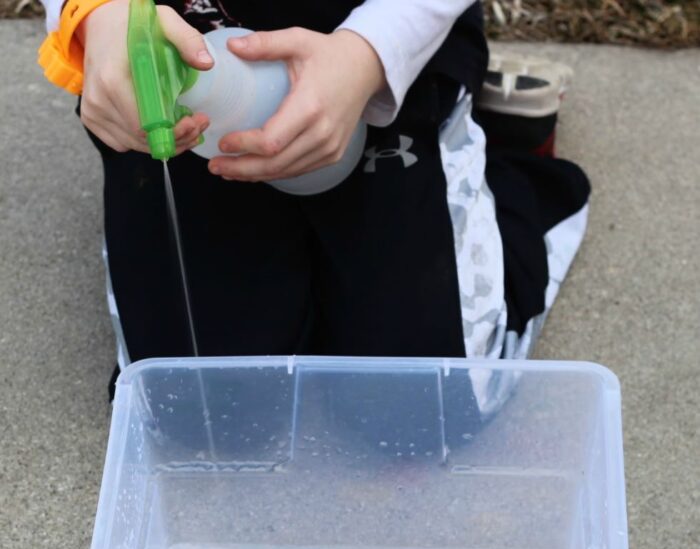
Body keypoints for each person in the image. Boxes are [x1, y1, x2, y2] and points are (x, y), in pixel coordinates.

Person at [39, 0, 590, 402]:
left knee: (425, 407)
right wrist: (97, 14)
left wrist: (372, 50)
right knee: (193, 408)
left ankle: (506, 161)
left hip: (377, 49)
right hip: (181, 64)